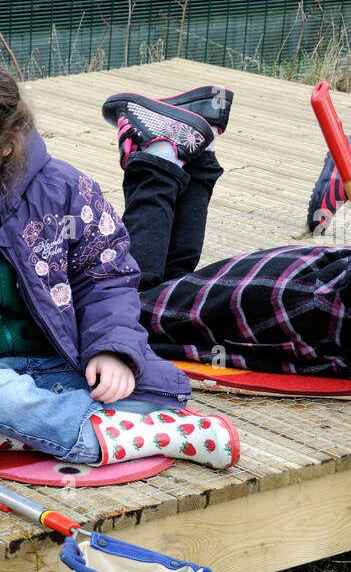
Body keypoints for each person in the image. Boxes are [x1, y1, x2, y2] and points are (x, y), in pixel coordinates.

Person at [0, 49, 240, 472]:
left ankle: (5, 435)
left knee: (147, 385)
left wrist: (113, 351)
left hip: (66, 359)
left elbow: (105, 274)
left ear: (6, 146)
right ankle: (115, 436)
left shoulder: (65, 191)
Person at [103, 87, 351, 376]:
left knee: (167, 293)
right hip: (326, 306)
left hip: (329, 289)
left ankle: (192, 145)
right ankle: (163, 152)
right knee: (125, 309)